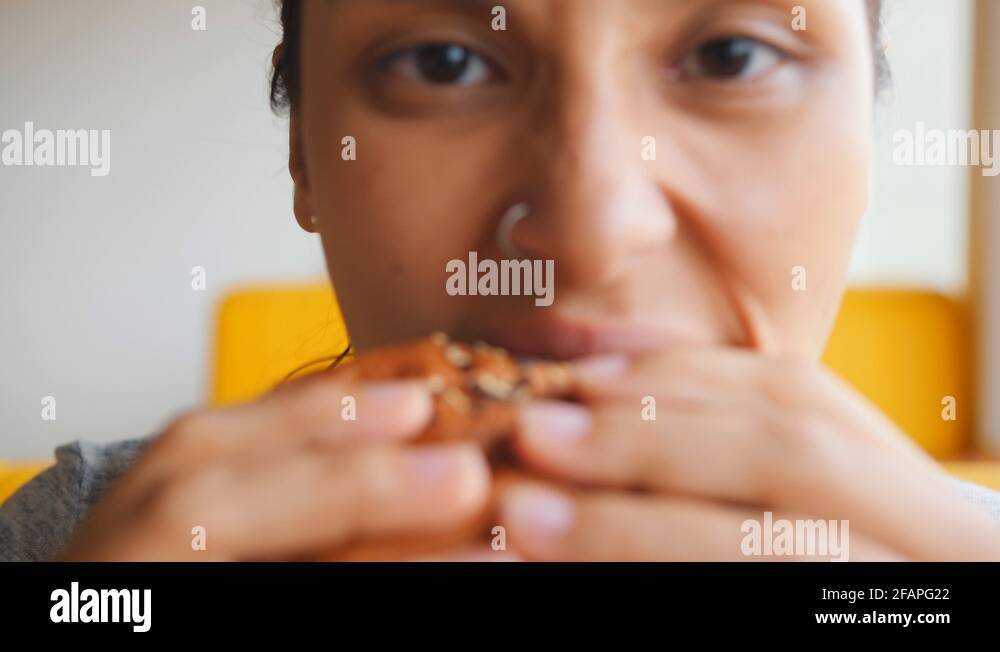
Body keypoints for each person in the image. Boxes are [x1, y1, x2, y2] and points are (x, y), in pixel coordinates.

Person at [3, 0, 1000, 562]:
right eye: (442, 64)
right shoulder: (83, 542)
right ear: (307, 151)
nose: (589, 232)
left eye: (730, 55)